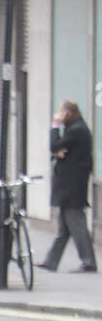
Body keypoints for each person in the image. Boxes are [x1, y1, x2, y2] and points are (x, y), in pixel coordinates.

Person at [38, 100, 97, 273]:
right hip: (69, 187)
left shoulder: (77, 130)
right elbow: (57, 149)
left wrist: (55, 126)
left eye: (61, 113)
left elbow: (54, 146)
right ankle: (51, 261)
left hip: (72, 188)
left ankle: (89, 263)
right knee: (64, 230)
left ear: (68, 114)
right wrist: (58, 152)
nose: (59, 116)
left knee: (77, 226)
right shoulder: (75, 129)